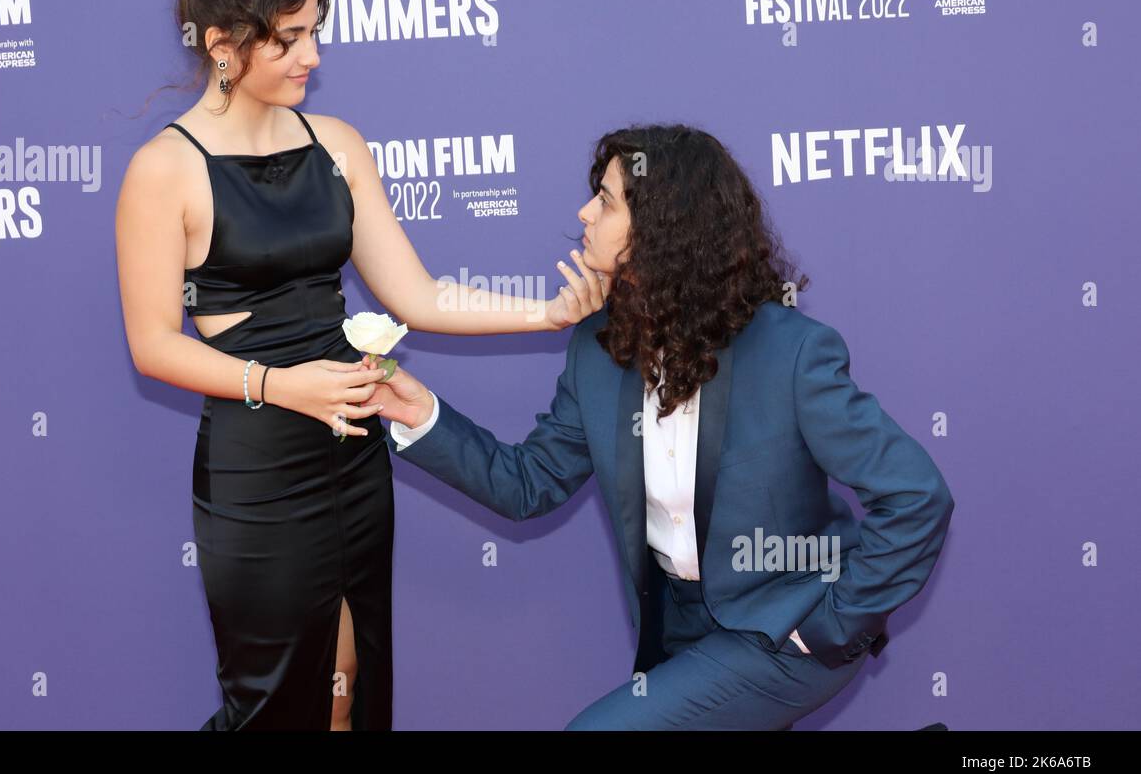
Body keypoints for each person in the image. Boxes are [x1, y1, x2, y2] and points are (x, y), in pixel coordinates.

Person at [114, 0, 608, 731]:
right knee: (274, 704)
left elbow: (414, 295)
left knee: (351, 687)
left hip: (353, 453)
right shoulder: (164, 169)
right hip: (260, 464)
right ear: (226, 49)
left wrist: (549, 313)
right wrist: (282, 387)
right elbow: (153, 345)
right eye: (290, 37)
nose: (313, 53)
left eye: (314, 30)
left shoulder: (337, 144)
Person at [366, 122, 956, 729]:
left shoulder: (791, 353)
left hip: (781, 628)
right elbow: (528, 484)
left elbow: (916, 496)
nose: (584, 211)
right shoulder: (599, 349)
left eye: (607, 199)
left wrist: (831, 625)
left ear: (664, 228)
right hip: (676, 627)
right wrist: (418, 415)